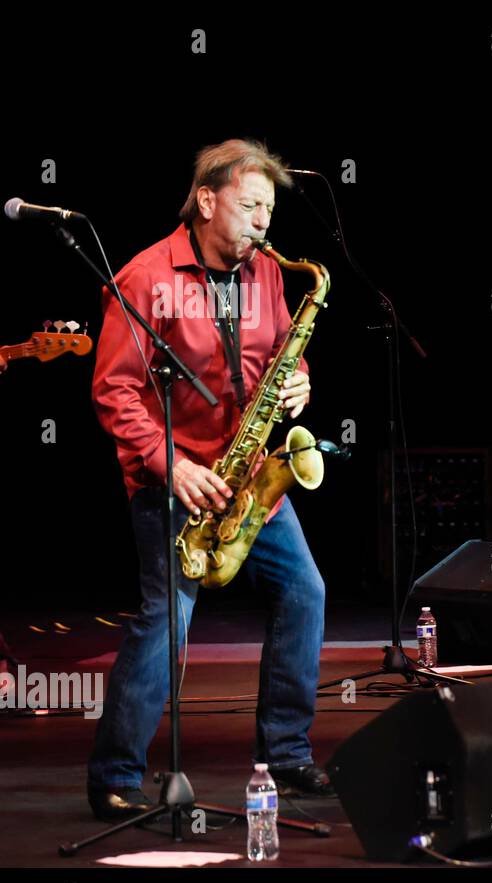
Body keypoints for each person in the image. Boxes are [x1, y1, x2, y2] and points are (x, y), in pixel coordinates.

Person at [87, 139, 332, 822]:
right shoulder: (143, 276)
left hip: (248, 474)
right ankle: (116, 773)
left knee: (305, 591)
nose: (263, 223)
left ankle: (285, 752)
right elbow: (113, 392)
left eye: (270, 210)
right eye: (252, 205)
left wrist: (299, 389)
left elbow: (287, 355)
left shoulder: (267, 275)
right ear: (205, 201)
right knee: (168, 618)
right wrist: (175, 466)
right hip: (176, 482)